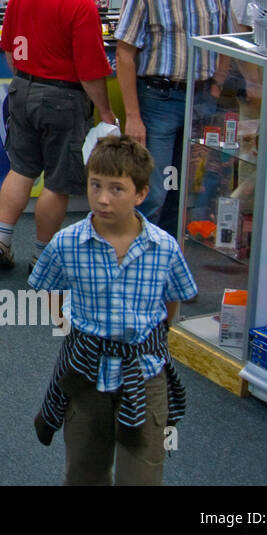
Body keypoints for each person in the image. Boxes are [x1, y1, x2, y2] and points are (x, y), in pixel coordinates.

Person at [28, 134, 196, 485]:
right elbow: (50, 290)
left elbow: (172, 301)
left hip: (146, 372)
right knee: (84, 469)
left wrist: (154, 334)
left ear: (141, 194)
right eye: (95, 185)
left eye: (117, 189)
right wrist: (72, 328)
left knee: (143, 473)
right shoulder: (67, 243)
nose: (102, 199)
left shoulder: (164, 248)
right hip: (87, 372)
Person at [0, 0, 117, 270]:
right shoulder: (81, 3)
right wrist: (105, 112)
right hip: (63, 98)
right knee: (57, 182)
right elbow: (90, 71)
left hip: (23, 89)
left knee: (21, 168)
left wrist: (25, 81)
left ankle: (1, 238)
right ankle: (42, 255)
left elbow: (9, 45)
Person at [114, 0, 230, 234]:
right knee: (153, 190)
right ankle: (139, 255)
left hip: (201, 98)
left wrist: (216, 84)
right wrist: (133, 116)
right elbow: (125, 53)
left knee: (187, 186)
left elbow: (225, 41)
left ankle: (169, 253)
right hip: (158, 100)